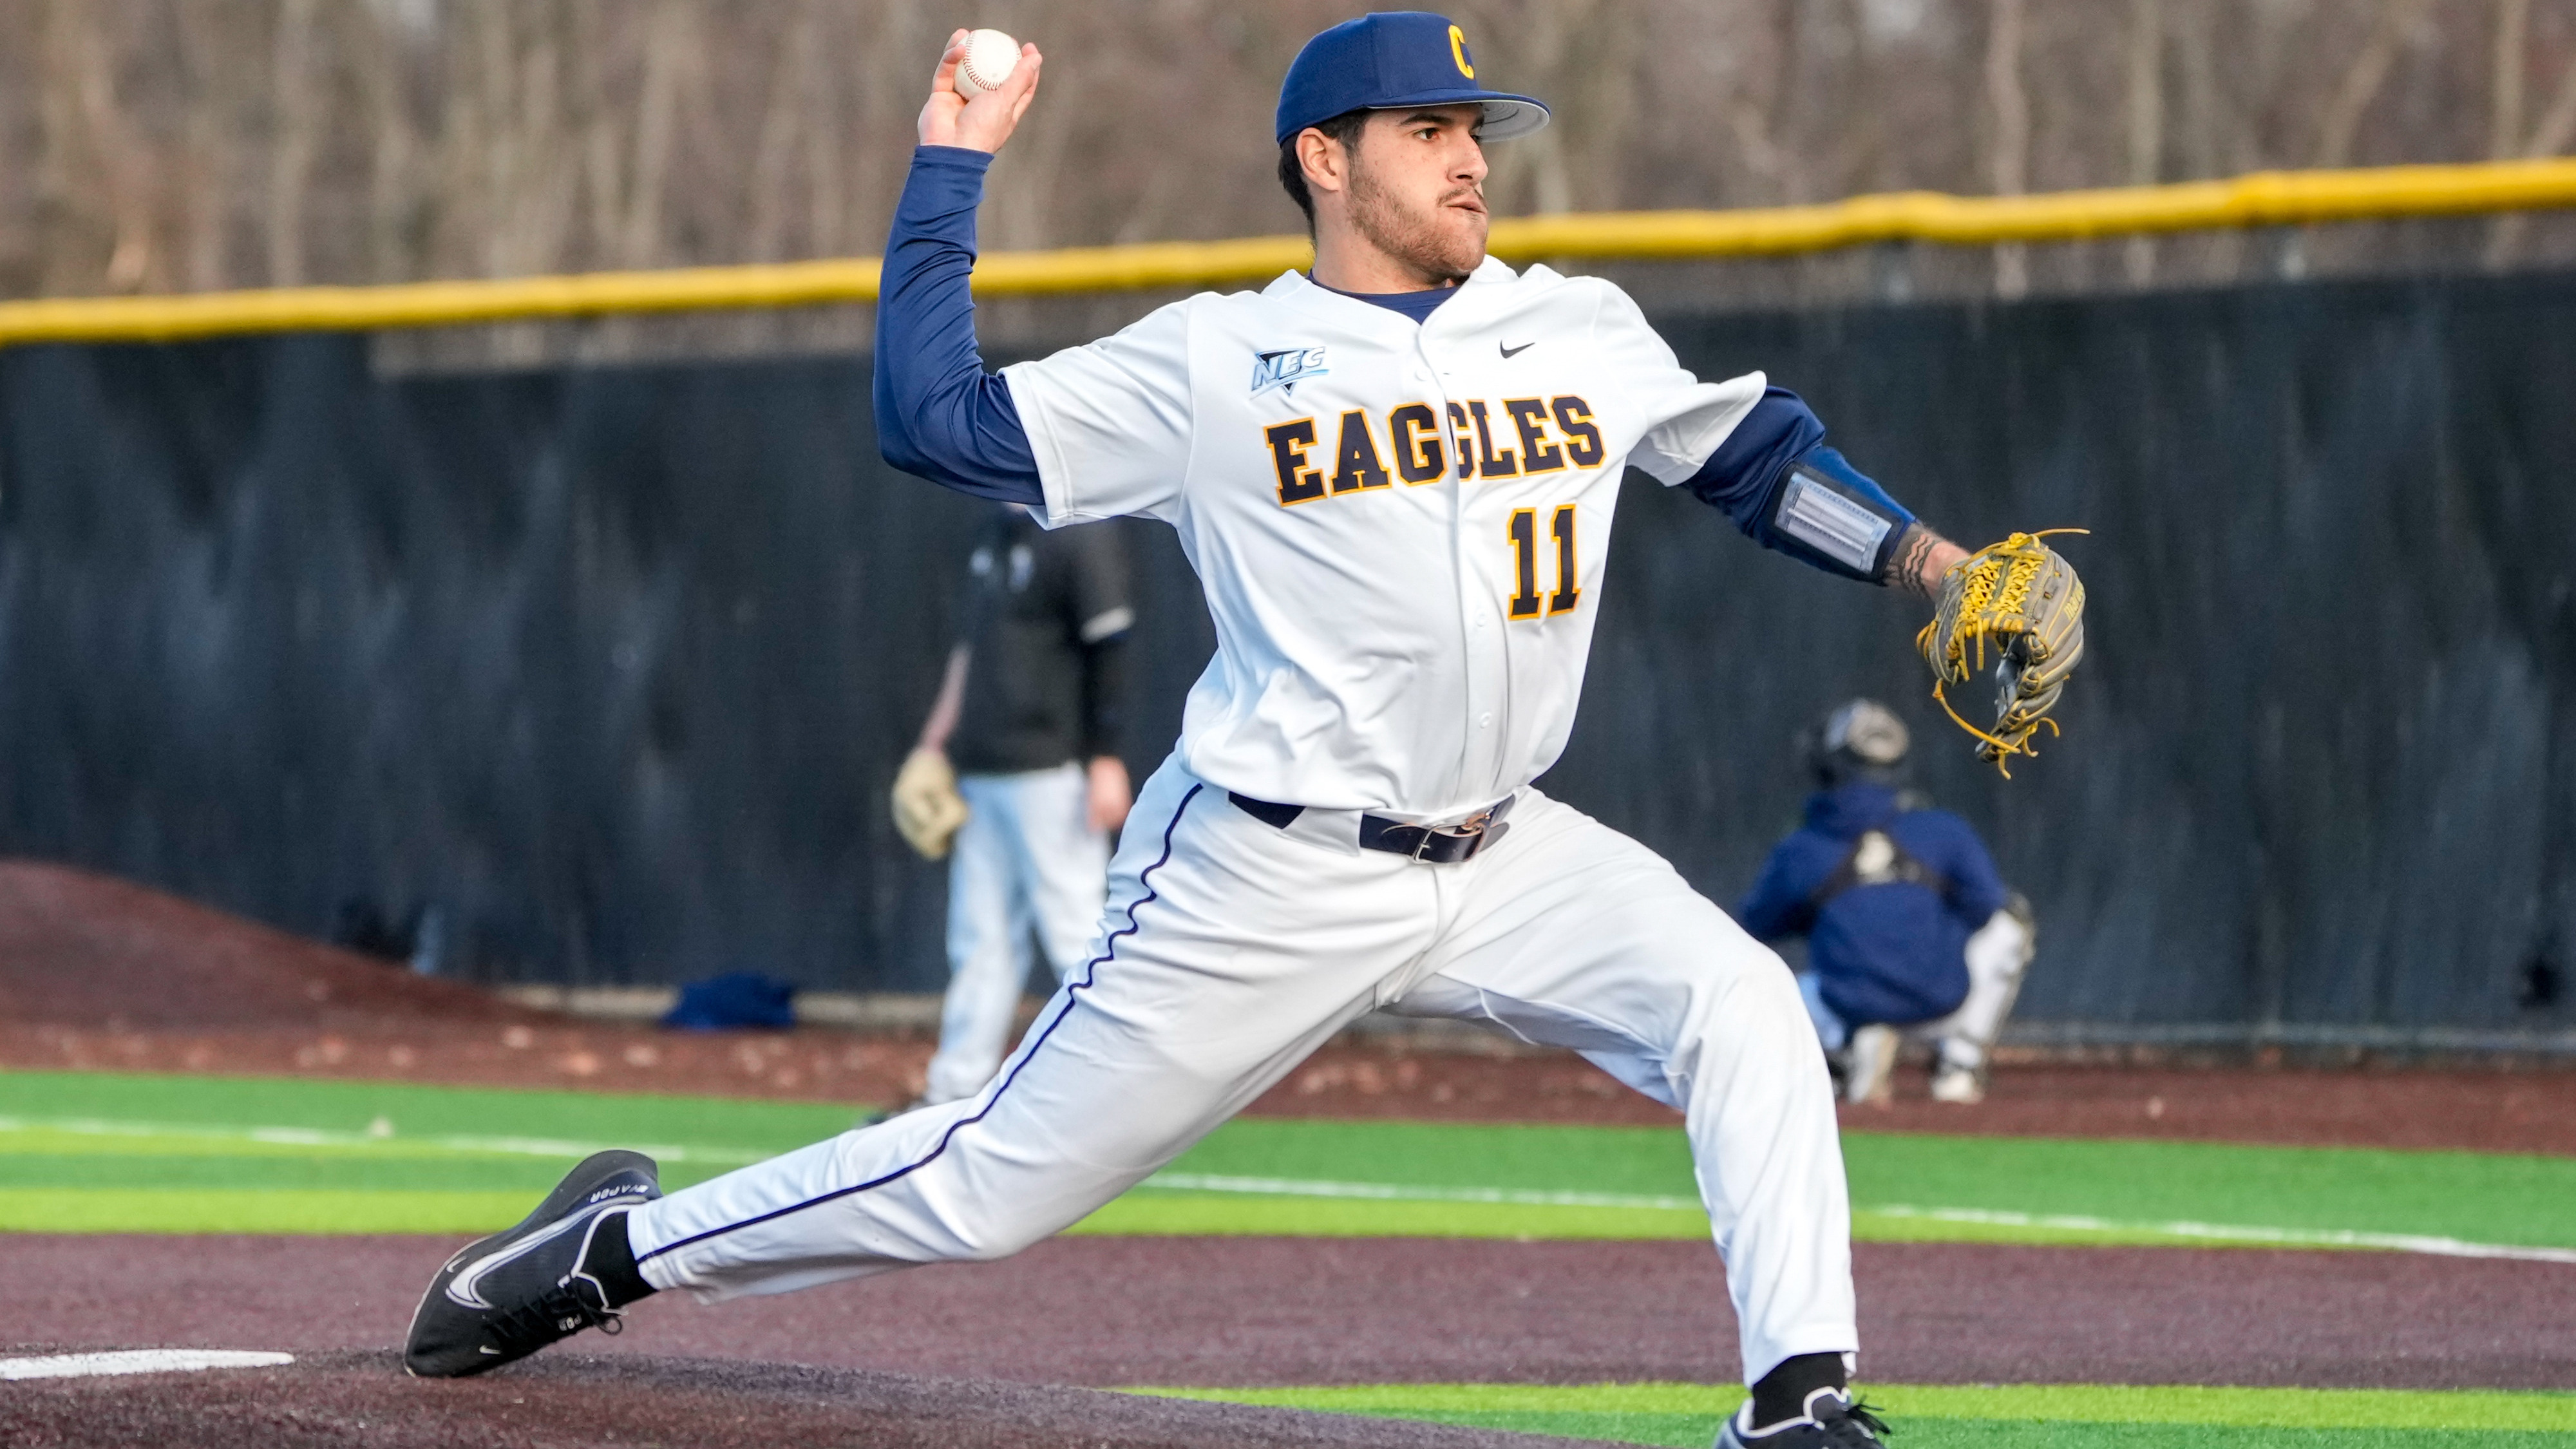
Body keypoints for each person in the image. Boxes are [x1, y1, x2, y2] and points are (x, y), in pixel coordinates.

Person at [404, 16, 2083, 1447]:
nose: (1471, 159)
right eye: (1428, 130)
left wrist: (1931, 565)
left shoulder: (1576, 324)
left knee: (1741, 1008)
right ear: (1324, 159)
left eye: (1478, 131)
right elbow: (933, 422)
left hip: (1509, 845)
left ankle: (1793, 1394)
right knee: (990, 1188)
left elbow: (1745, 452)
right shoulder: (1219, 362)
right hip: (1270, 866)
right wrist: (951, 162)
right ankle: (610, 1251)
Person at [893, 502, 1135, 1109]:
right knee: (979, 940)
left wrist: (1105, 757)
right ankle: (953, 1090)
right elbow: (969, 651)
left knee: (1077, 933)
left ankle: (1119, 1090)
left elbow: (1111, 649)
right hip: (982, 772)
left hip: (1052, 772)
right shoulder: (996, 531)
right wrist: (933, 744)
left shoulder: (1083, 530)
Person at [1734, 700, 2036, 1107]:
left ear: (1829, 766)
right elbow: (1984, 907)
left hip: (1844, 1007)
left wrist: (1835, 907)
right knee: (2009, 924)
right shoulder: (1942, 829)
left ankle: (1843, 1052)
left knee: (1760, 969)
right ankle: (1959, 1066)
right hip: (1942, 1003)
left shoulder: (1804, 847)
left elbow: (1757, 925)